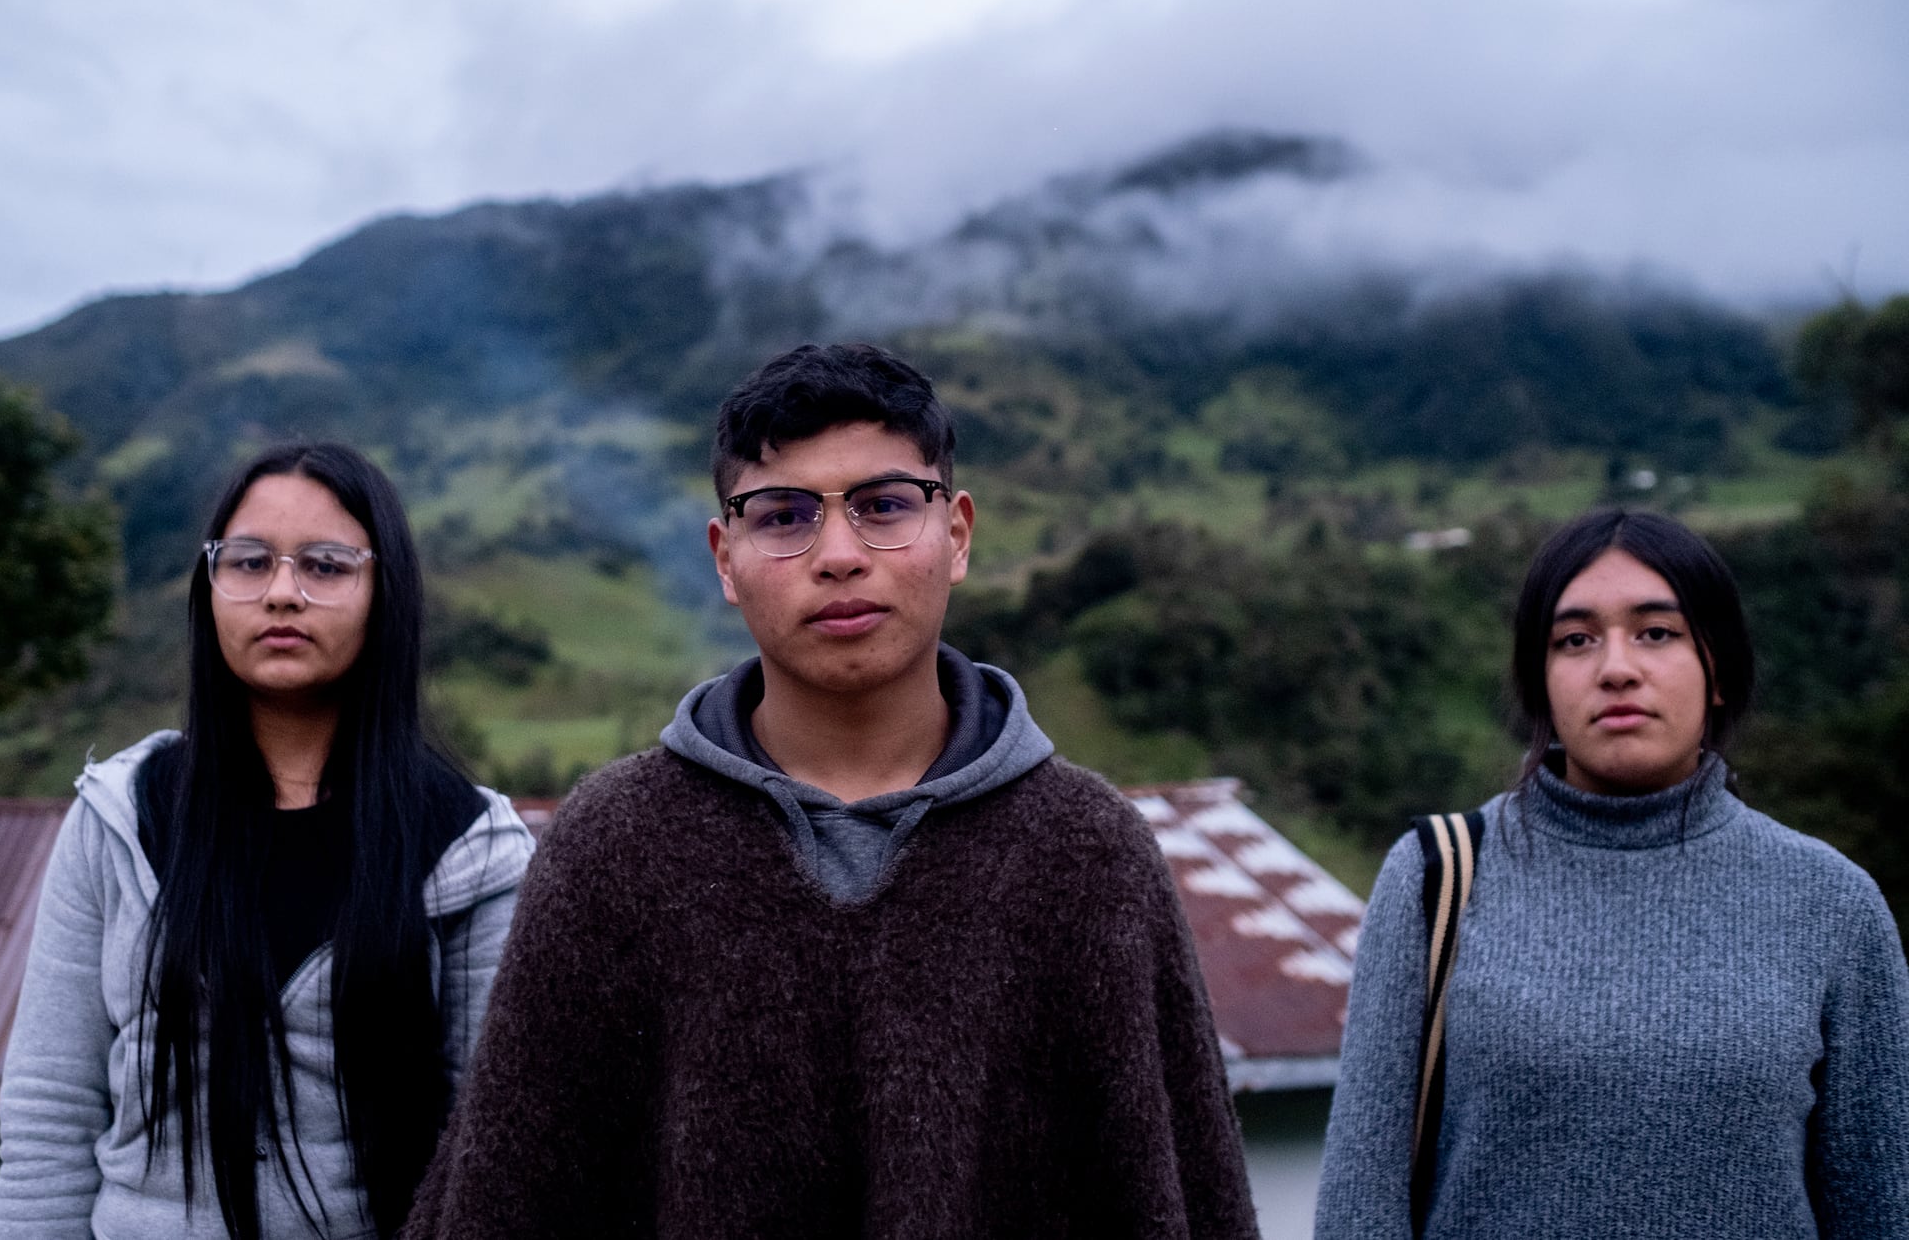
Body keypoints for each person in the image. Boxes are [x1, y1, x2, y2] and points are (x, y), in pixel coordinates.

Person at [403, 343, 1260, 1238]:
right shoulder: (614, 849)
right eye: (784, 516)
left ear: (957, 534)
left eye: (886, 505)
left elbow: (1182, 1195)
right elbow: (505, 1199)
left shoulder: (1089, 854)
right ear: (724, 557)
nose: (839, 554)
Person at [1313, 509, 1909, 1238]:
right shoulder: (1436, 879)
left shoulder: (1832, 903)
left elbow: (1880, 1209)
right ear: (1541, 681)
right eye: (1575, 639)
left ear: (1718, 668)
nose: (1616, 667)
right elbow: (1357, 1209)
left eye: (1657, 632)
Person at [0, 442, 536, 1240]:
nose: (282, 592)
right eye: (249, 562)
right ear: (209, 586)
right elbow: (51, 1105)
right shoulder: (120, 819)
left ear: (385, 591)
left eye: (325, 565)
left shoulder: (473, 850)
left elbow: (491, 1148)